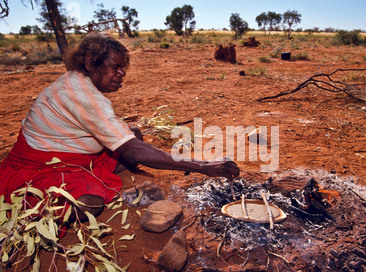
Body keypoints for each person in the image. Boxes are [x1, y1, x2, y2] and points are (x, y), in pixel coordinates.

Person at [0, 32, 239, 224]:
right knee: (90, 202)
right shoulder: (82, 95)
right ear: (90, 63)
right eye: (116, 66)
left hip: (68, 152)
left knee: (132, 134)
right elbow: (134, 151)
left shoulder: (78, 82)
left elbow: (127, 141)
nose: (122, 73)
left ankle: (96, 172)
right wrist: (203, 166)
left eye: (123, 67)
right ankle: (36, 212)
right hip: (37, 166)